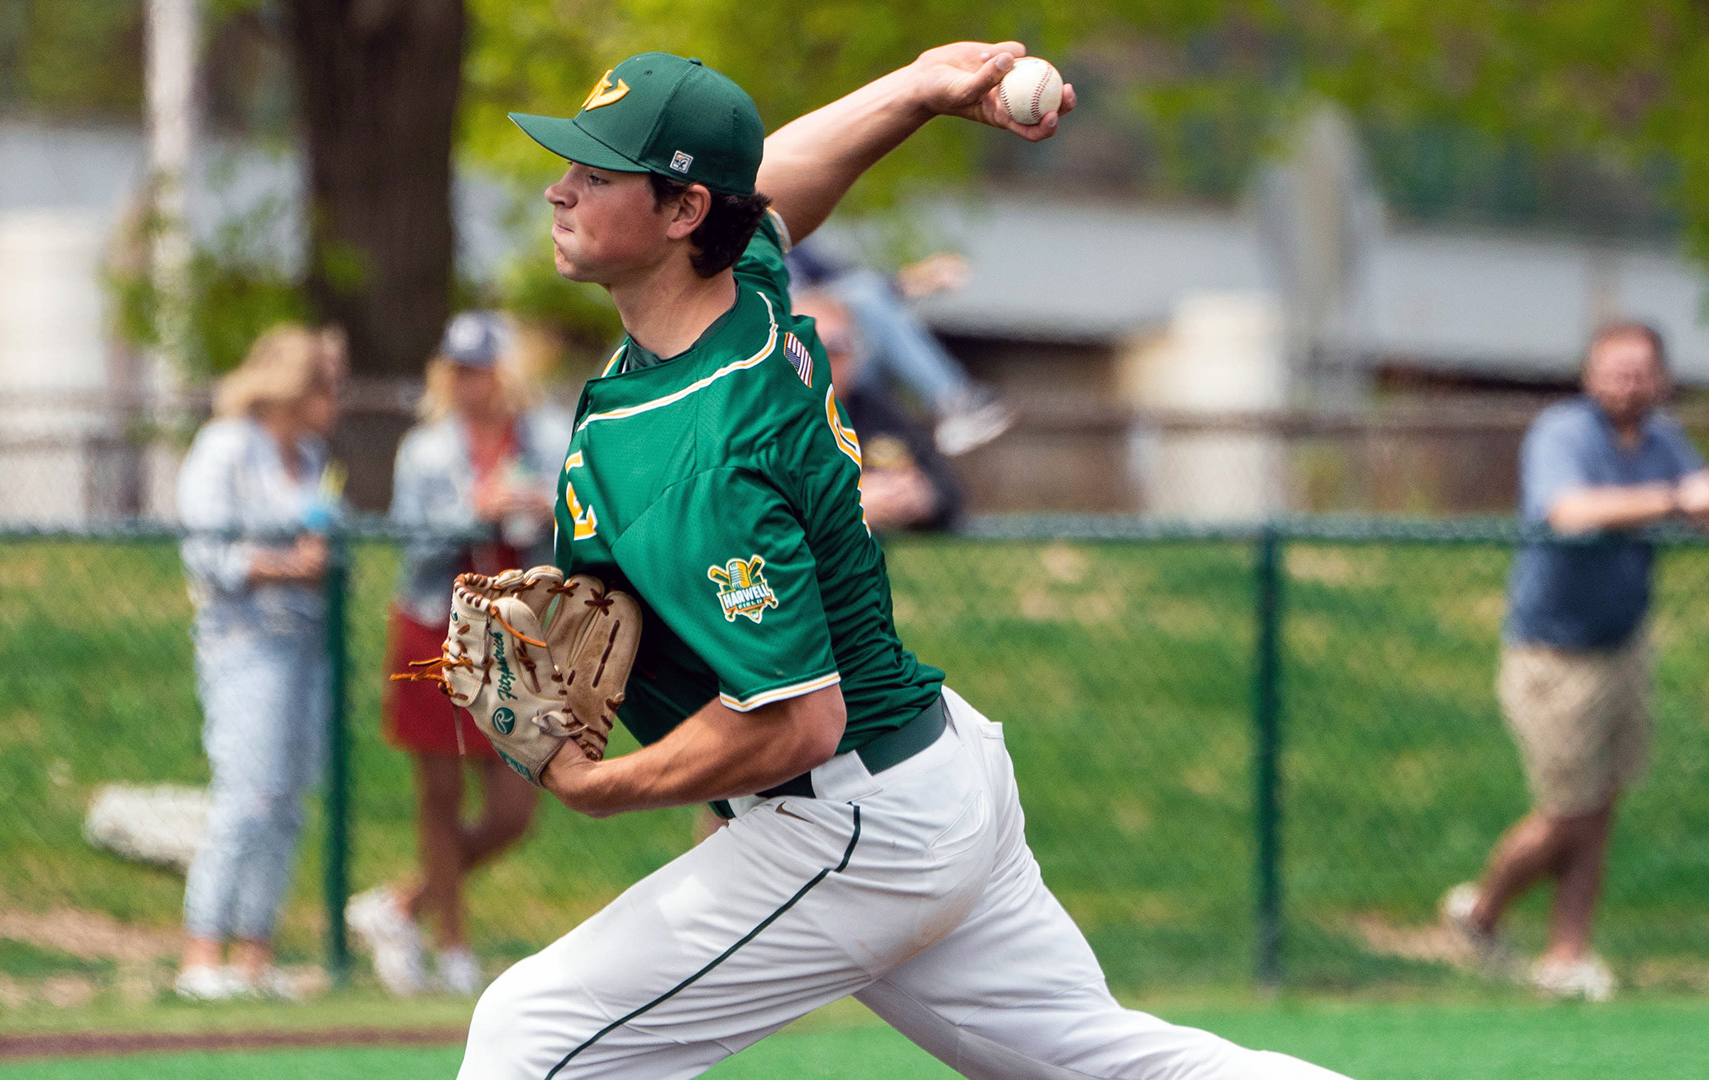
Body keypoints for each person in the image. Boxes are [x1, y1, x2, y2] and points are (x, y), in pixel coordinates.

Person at [457, 45, 1352, 1077]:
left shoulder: (706, 450)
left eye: (597, 174)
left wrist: (604, 786)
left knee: (531, 1033)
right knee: (1108, 1065)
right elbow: (777, 181)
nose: (559, 189)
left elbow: (797, 718)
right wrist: (920, 89)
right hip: (924, 772)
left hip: (848, 821)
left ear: (683, 212)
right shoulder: (734, 289)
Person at [1442, 321, 1709, 1001]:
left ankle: (1566, 954)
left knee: (1600, 808)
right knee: (1567, 810)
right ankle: (1480, 913)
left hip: (1623, 647)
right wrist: (1676, 500)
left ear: (1661, 378)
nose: (1629, 381)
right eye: (1615, 368)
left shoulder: (1661, 443)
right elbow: (1569, 512)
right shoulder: (1564, 433)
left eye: (1641, 369)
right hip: (1553, 655)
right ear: (1590, 374)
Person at [347, 312, 571, 997]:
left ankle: (398, 906)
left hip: (518, 634)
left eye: (482, 368)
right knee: (439, 797)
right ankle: (452, 947)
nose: (470, 383)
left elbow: (578, 516)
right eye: (459, 369)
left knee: (514, 808)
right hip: (436, 629)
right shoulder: (426, 448)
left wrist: (541, 505)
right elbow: (413, 541)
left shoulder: (549, 434)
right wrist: (479, 509)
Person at [173, 324, 346, 1001]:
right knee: (245, 798)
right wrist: (283, 567)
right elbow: (205, 555)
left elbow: (322, 532)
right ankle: (200, 953)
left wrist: (320, 559)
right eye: (324, 385)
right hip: (246, 642)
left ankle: (255, 955)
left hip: (308, 644)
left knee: (288, 803)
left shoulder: (308, 456)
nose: (335, 398)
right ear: (292, 388)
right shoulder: (225, 448)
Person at [788, 243, 1013, 457]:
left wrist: (914, 280)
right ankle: (953, 399)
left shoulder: (777, 233)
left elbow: (838, 281)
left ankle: (955, 402)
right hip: (779, 367)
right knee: (862, 301)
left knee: (880, 316)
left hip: (837, 373)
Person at [792, 288, 962, 531]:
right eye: (806, 344)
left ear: (854, 353)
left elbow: (947, 491)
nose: (821, 358)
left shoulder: (873, 410)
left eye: (835, 346)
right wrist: (846, 505)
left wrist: (920, 496)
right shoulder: (753, 415)